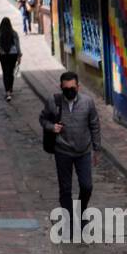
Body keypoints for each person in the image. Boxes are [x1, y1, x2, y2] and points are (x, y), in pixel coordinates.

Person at [39, 71, 101, 233]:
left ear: (78, 87)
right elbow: (43, 119)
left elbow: (94, 124)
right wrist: (52, 127)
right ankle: (70, 222)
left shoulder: (87, 103)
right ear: (61, 87)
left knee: (87, 186)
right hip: (63, 151)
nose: (69, 91)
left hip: (83, 151)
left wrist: (97, 148)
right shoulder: (54, 102)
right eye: (66, 88)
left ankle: (81, 211)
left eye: (72, 88)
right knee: (65, 189)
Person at [0, 17, 21, 102]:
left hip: (3, 55)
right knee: (11, 72)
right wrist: (19, 55)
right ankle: (10, 89)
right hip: (13, 54)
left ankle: (7, 91)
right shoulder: (14, 33)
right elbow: (17, 45)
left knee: (5, 72)